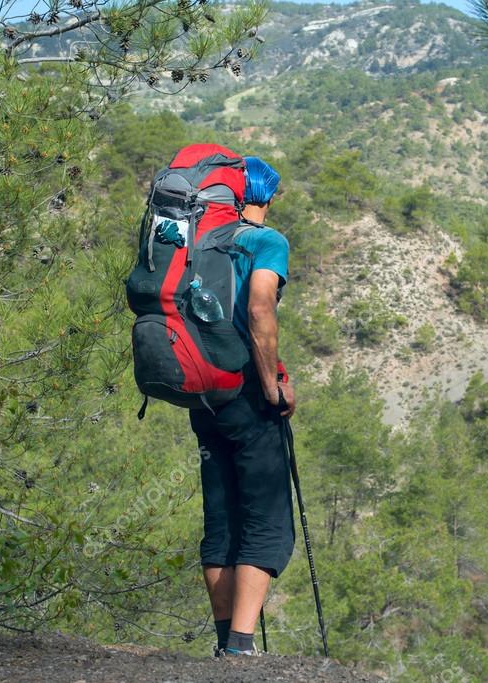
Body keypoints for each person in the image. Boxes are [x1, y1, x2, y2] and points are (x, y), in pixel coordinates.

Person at [189, 156, 296, 656]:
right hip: (247, 394)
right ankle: (240, 647)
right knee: (265, 520)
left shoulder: (198, 240)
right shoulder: (267, 241)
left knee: (222, 518)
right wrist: (273, 385)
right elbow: (258, 307)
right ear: (267, 198)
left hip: (202, 393)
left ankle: (222, 643)